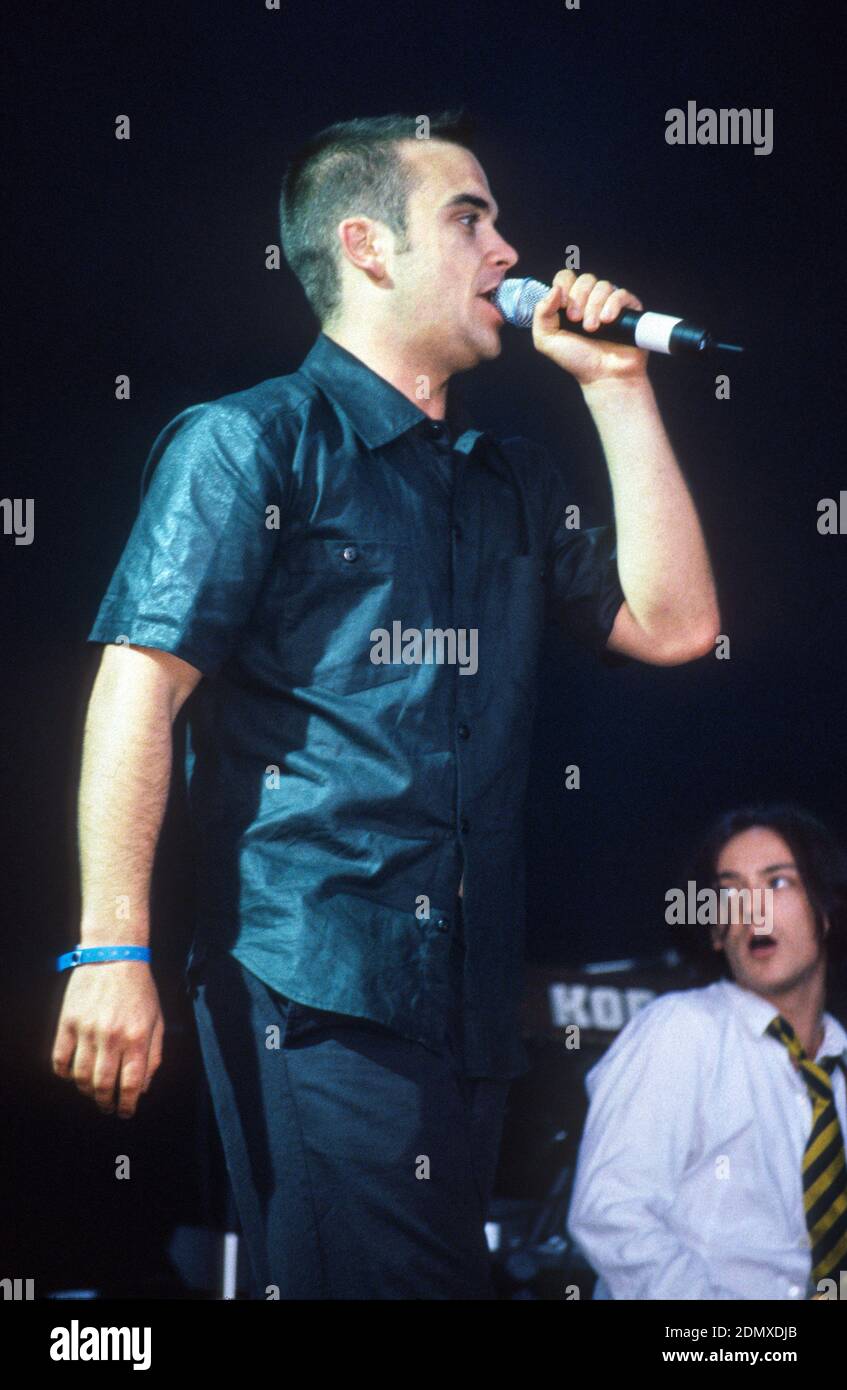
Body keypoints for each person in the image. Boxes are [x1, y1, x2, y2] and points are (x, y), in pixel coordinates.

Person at [51, 110, 719, 1299]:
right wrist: (112, 945)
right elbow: (135, 687)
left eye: (500, 219)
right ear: (365, 247)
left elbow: (675, 628)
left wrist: (616, 386)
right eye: (469, 217)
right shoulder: (250, 443)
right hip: (313, 982)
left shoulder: (504, 476)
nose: (508, 249)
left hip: (465, 1003)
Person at [567, 803, 847, 1300]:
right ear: (717, 930)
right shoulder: (681, 1031)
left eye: (777, 883)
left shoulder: (838, 1068)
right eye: (730, 893)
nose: (752, 910)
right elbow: (611, 1215)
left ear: (825, 912)